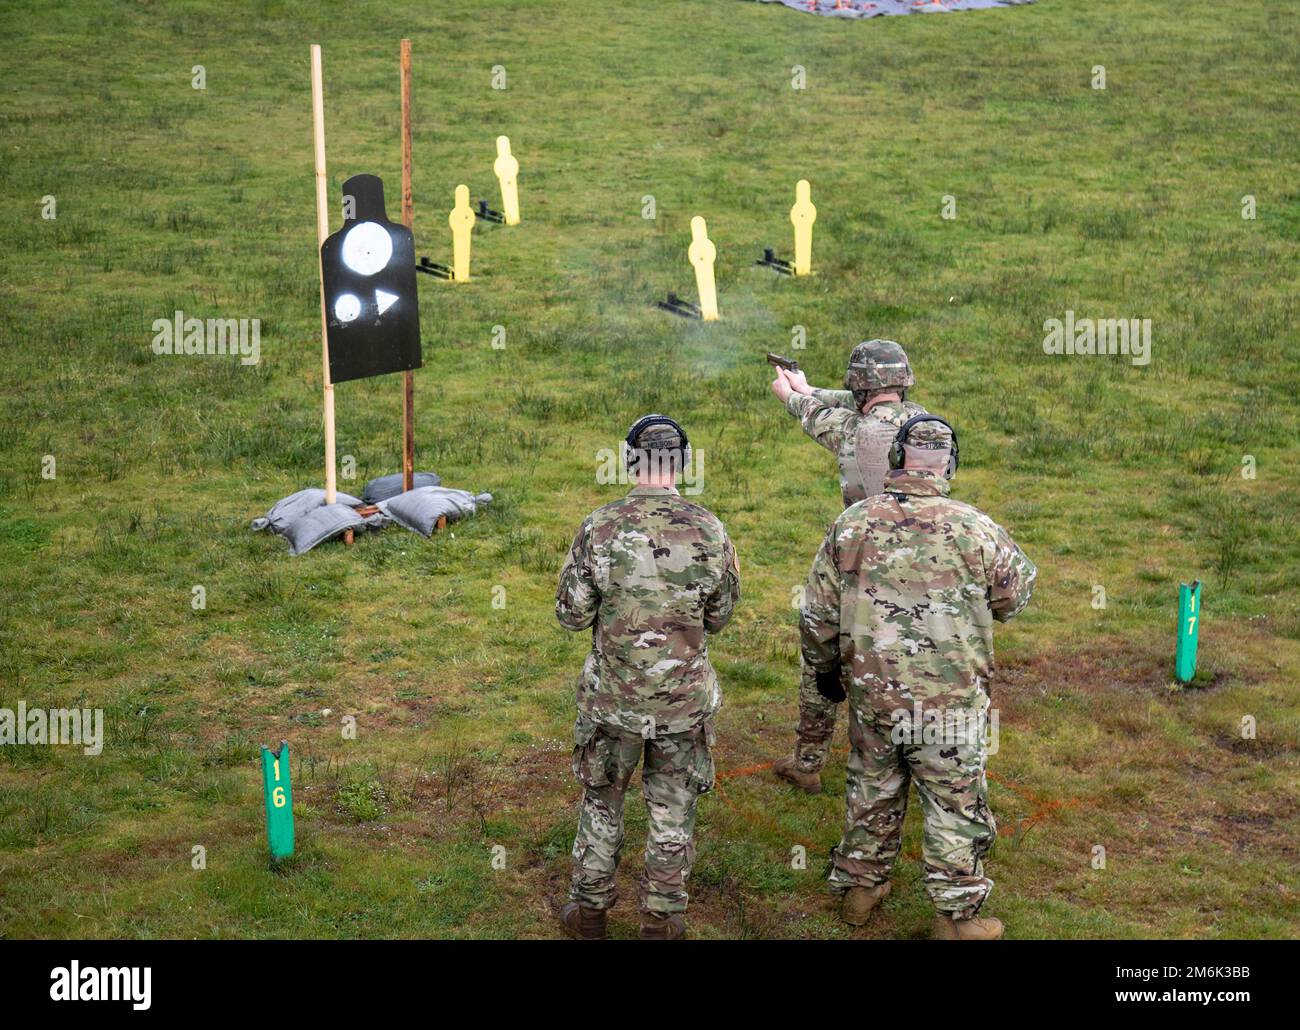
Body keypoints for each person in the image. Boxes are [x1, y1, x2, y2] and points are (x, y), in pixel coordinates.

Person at [800, 415, 1035, 939]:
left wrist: (824, 674)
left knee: (872, 788)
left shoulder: (853, 524)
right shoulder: (976, 526)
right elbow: (1013, 599)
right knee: (954, 802)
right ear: (950, 464)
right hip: (949, 703)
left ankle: (861, 891)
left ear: (897, 459)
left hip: (874, 695)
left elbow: (816, 613)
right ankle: (954, 922)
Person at [555, 415, 741, 940]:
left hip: (612, 701)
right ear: (681, 463)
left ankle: (589, 914)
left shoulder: (600, 526)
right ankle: (659, 920)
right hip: (682, 703)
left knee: (602, 799)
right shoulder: (709, 529)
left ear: (631, 461)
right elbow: (720, 615)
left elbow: (570, 614)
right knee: (673, 808)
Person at [769, 339, 927, 793]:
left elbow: (811, 412)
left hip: (863, 556)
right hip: (924, 560)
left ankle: (808, 762)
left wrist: (793, 393)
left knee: (823, 654)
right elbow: (855, 403)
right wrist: (810, 385)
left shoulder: (850, 430)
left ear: (859, 386)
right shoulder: (922, 421)